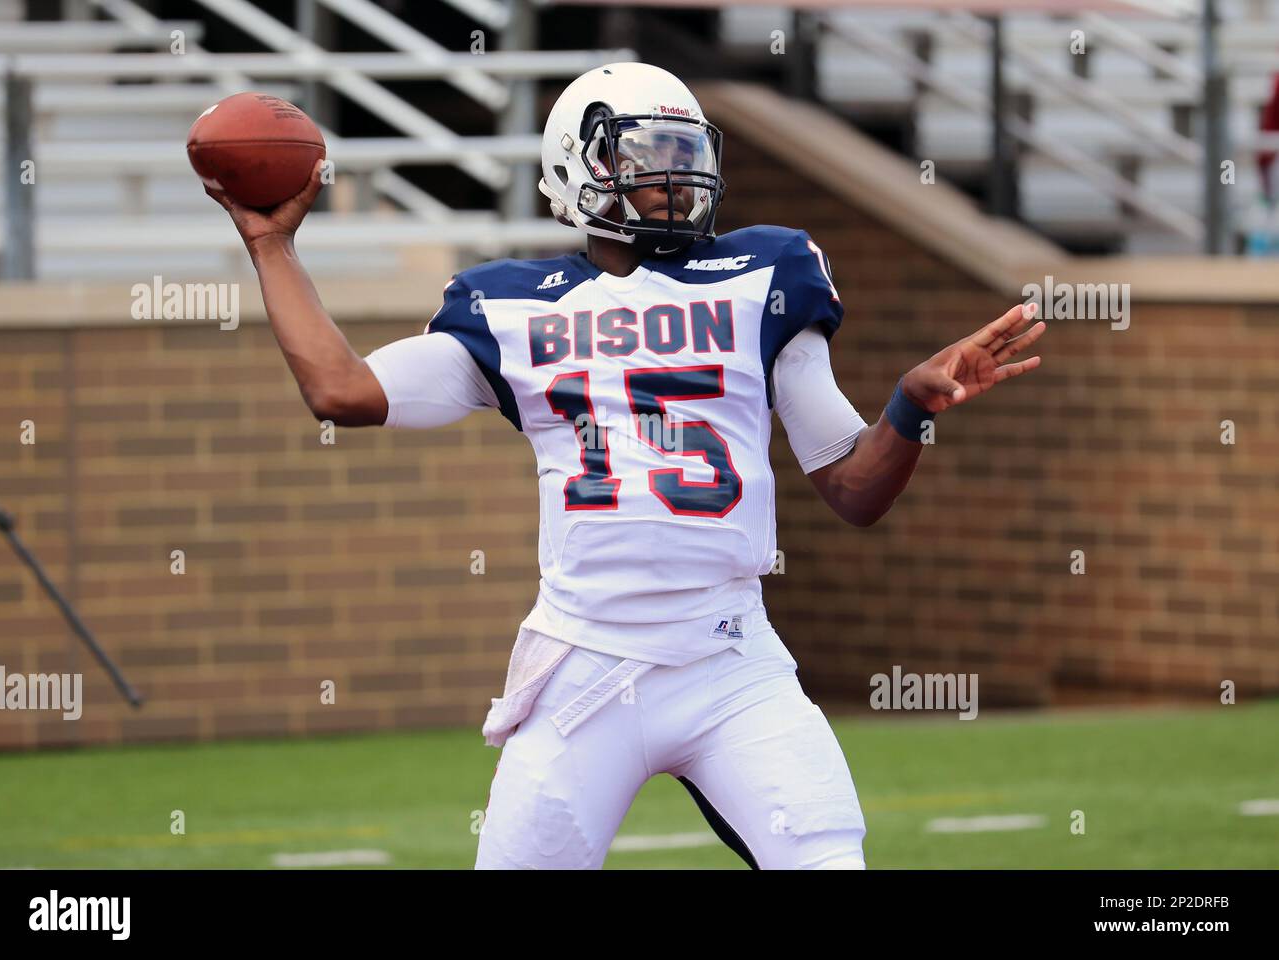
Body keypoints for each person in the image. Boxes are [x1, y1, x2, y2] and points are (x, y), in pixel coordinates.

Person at [205, 62, 1046, 869]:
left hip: (729, 657)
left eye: (687, 154)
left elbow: (854, 490)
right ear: (577, 168)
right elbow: (341, 391)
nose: (675, 177)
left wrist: (909, 405)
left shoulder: (765, 276)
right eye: (647, 155)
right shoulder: (505, 304)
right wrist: (272, 248)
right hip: (584, 661)